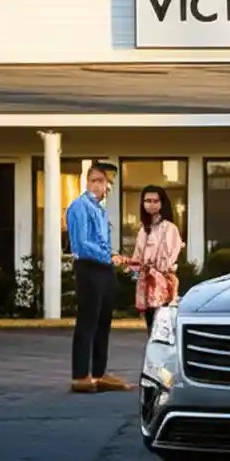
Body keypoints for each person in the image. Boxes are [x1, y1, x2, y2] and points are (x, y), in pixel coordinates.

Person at [65, 163, 133, 394]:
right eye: (93, 180)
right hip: (89, 268)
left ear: (108, 185)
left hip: (104, 269)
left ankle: (99, 372)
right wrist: (108, 257)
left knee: (103, 323)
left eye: (102, 181)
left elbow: (99, 242)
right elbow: (81, 244)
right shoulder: (79, 207)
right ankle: (81, 375)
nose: (97, 185)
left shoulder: (100, 209)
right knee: (87, 322)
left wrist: (111, 256)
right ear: (86, 182)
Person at [128, 185, 183, 333]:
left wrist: (157, 268)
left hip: (163, 283)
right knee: (150, 325)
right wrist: (133, 269)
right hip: (145, 283)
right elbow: (137, 256)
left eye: (155, 201)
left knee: (163, 327)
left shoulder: (170, 228)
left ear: (162, 203)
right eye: (147, 201)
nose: (151, 204)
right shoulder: (143, 229)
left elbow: (171, 256)